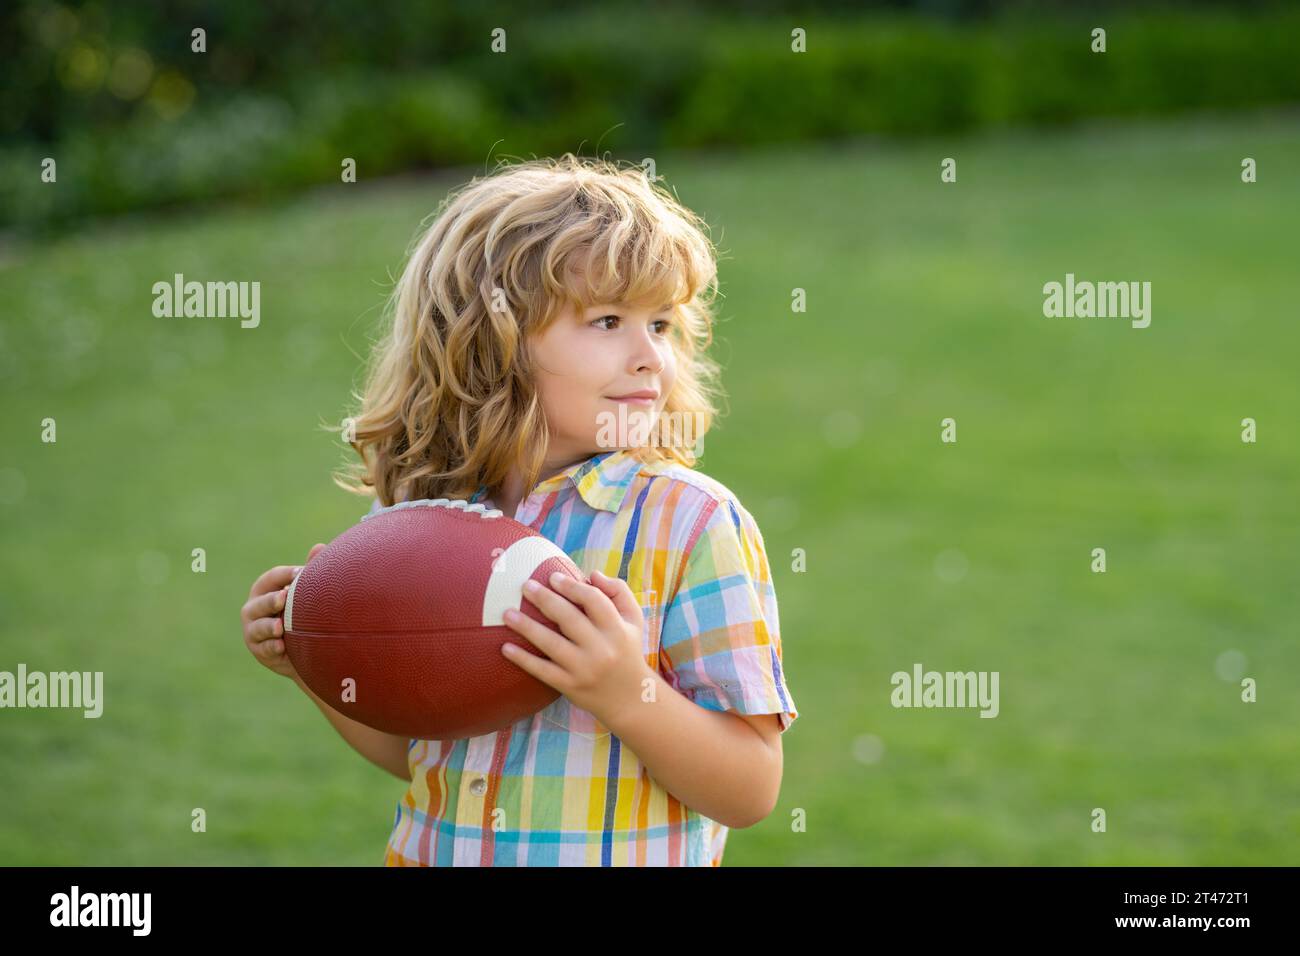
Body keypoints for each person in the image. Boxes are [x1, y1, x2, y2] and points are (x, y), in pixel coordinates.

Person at [239, 154, 798, 865]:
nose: (649, 356)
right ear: (489, 342)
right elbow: (419, 749)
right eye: (606, 321)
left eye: (661, 324)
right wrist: (317, 664)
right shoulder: (421, 521)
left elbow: (750, 787)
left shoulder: (688, 523)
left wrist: (628, 694)